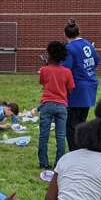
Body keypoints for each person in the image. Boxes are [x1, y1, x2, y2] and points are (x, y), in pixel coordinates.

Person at [63, 21, 101, 149]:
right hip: (90, 86)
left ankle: (75, 152)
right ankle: (83, 148)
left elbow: (66, 68)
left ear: (65, 35)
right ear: (79, 32)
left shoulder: (69, 48)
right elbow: (96, 61)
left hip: (77, 88)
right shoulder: (88, 45)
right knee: (82, 122)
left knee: (71, 124)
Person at [38, 41, 75, 169]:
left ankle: (43, 162)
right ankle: (59, 163)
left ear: (49, 55)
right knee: (61, 136)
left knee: (44, 134)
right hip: (62, 105)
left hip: (47, 104)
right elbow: (71, 88)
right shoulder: (67, 71)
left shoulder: (44, 70)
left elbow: (42, 82)